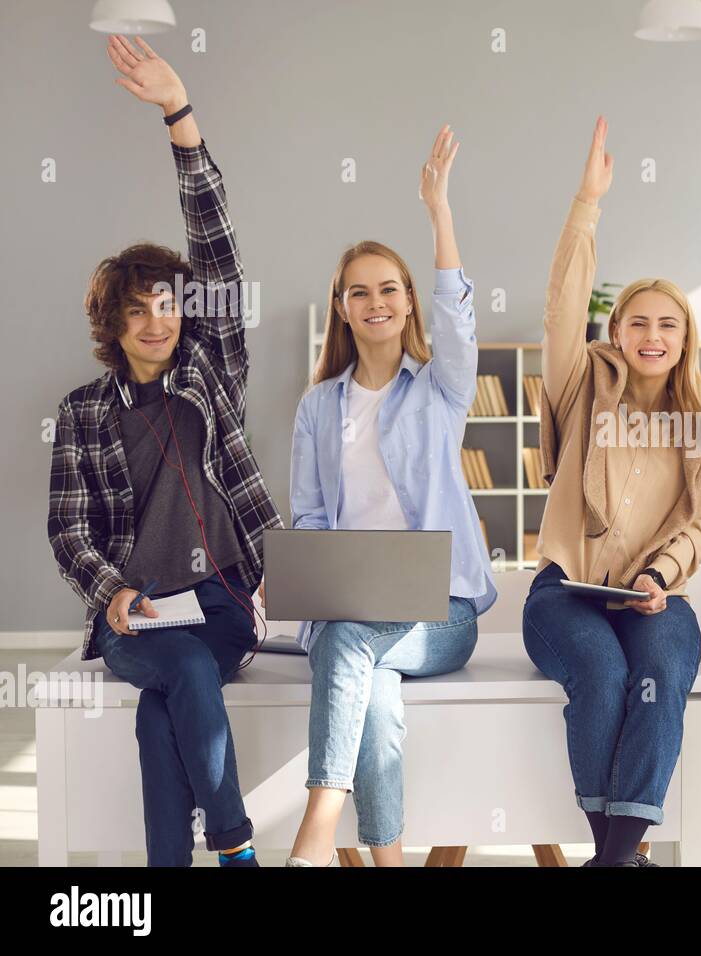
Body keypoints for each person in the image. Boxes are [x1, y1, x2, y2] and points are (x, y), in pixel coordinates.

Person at [47, 36, 281, 867]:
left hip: (221, 606)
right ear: (112, 324)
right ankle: (236, 845)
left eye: (170, 305)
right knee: (173, 672)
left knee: (167, 699)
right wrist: (111, 595)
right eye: (139, 309)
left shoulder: (212, 373)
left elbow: (216, 245)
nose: (159, 320)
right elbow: (70, 535)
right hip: (135, 614)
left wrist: (180, 115)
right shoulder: (81, 414)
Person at [284, 126, 496, 867]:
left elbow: (459, 320)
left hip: (443, 614)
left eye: (389, 289)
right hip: (353, 614)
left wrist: (438, 211)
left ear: (408, 303)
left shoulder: (441, 391)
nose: (375, 301)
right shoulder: (318, 408)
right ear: (341, 309)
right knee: (370, 690)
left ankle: (315, 832)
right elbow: (309, 520)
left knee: (350, 647)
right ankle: (389, 862)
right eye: (359, 292)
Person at [522, 117, 701, 867]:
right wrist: (587, 204)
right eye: (638, 320)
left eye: (668, 323)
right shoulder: (582, 386)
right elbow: (560, 307)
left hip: (653, 595)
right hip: (565, 593)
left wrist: (657, 577)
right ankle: (621, 861)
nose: (652, 333)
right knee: (605, 675)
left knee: (665, 670)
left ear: (684, 338)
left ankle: (613, 859)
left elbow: (698, 526)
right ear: (616, 329)